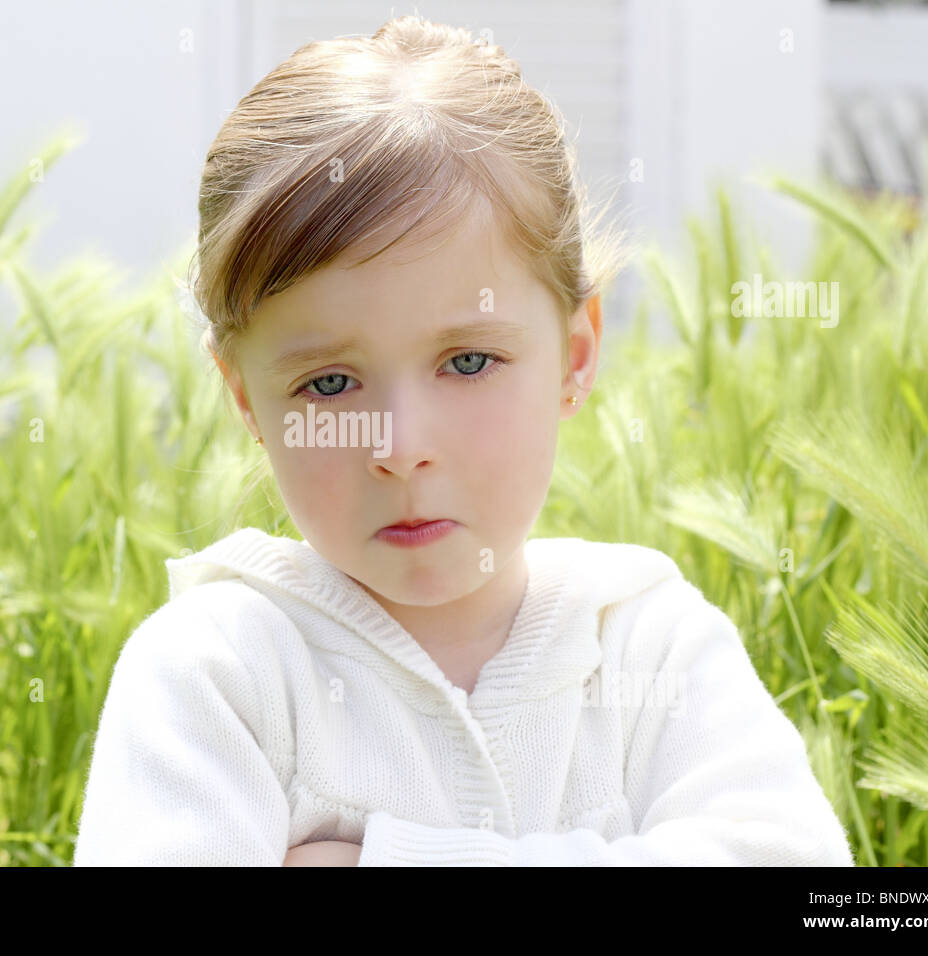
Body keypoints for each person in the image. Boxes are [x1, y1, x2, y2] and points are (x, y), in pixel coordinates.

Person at [73, 14, 854, 867]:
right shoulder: (216, 675)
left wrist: (377, 861)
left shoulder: (649, 647)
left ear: (576, 353)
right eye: (329, 383)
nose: (402, 447)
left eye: (469, 360)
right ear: (247, 399)